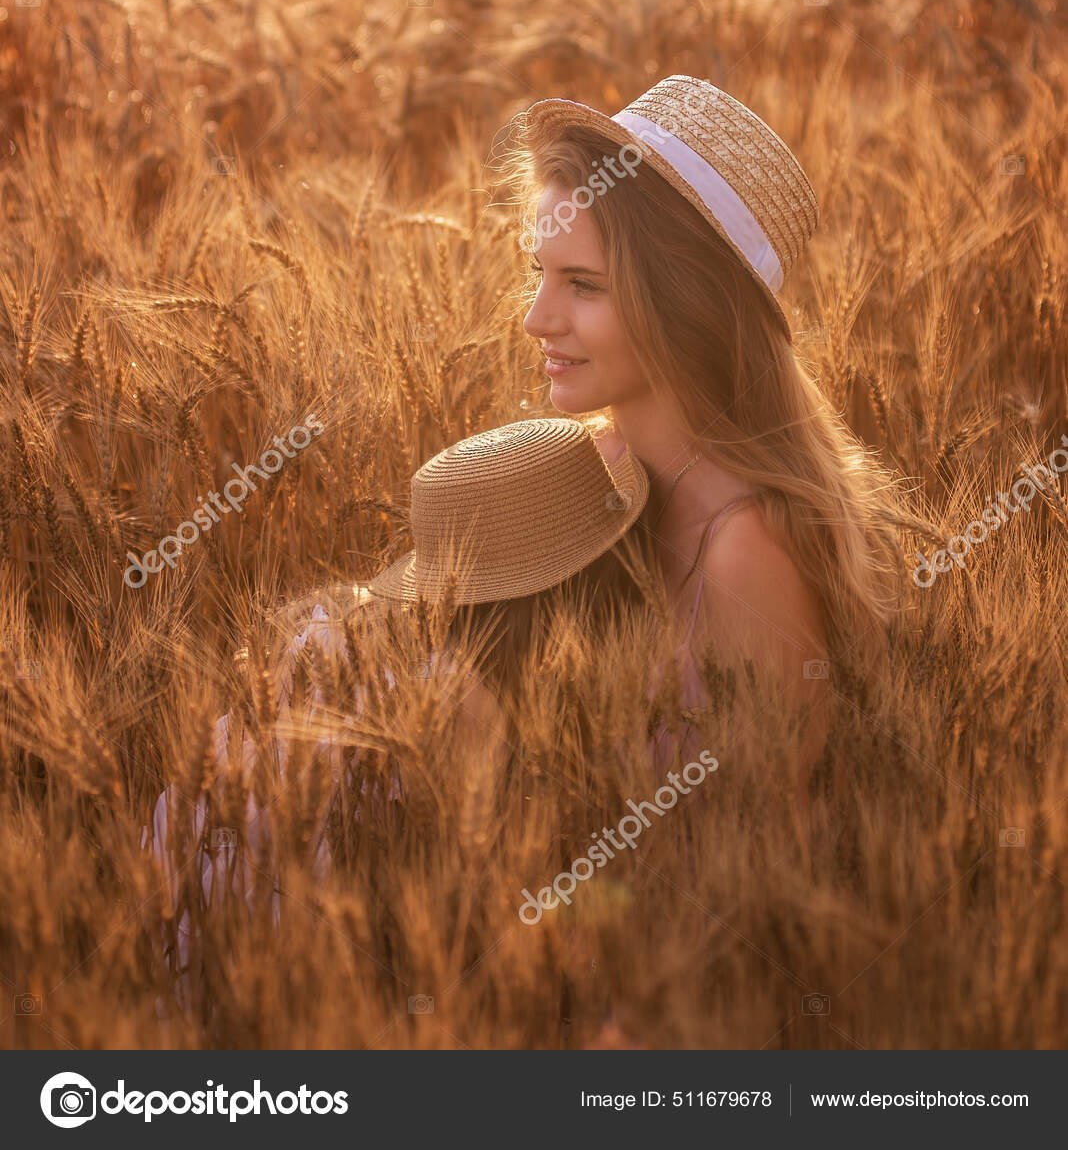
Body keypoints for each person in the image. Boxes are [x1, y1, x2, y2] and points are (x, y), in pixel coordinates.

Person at [503, 73, 927, 799]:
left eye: (583, 284)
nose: (535, 318)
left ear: (683, 303)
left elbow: (754, 850)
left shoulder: (744, 552)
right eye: (539, 274)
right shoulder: (591, 469)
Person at [141, 416, 651, 1017]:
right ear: (584, 585)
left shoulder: (342, 635)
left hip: (188, 943)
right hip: (290, 991)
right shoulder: (467, 708)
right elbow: (508, 917)